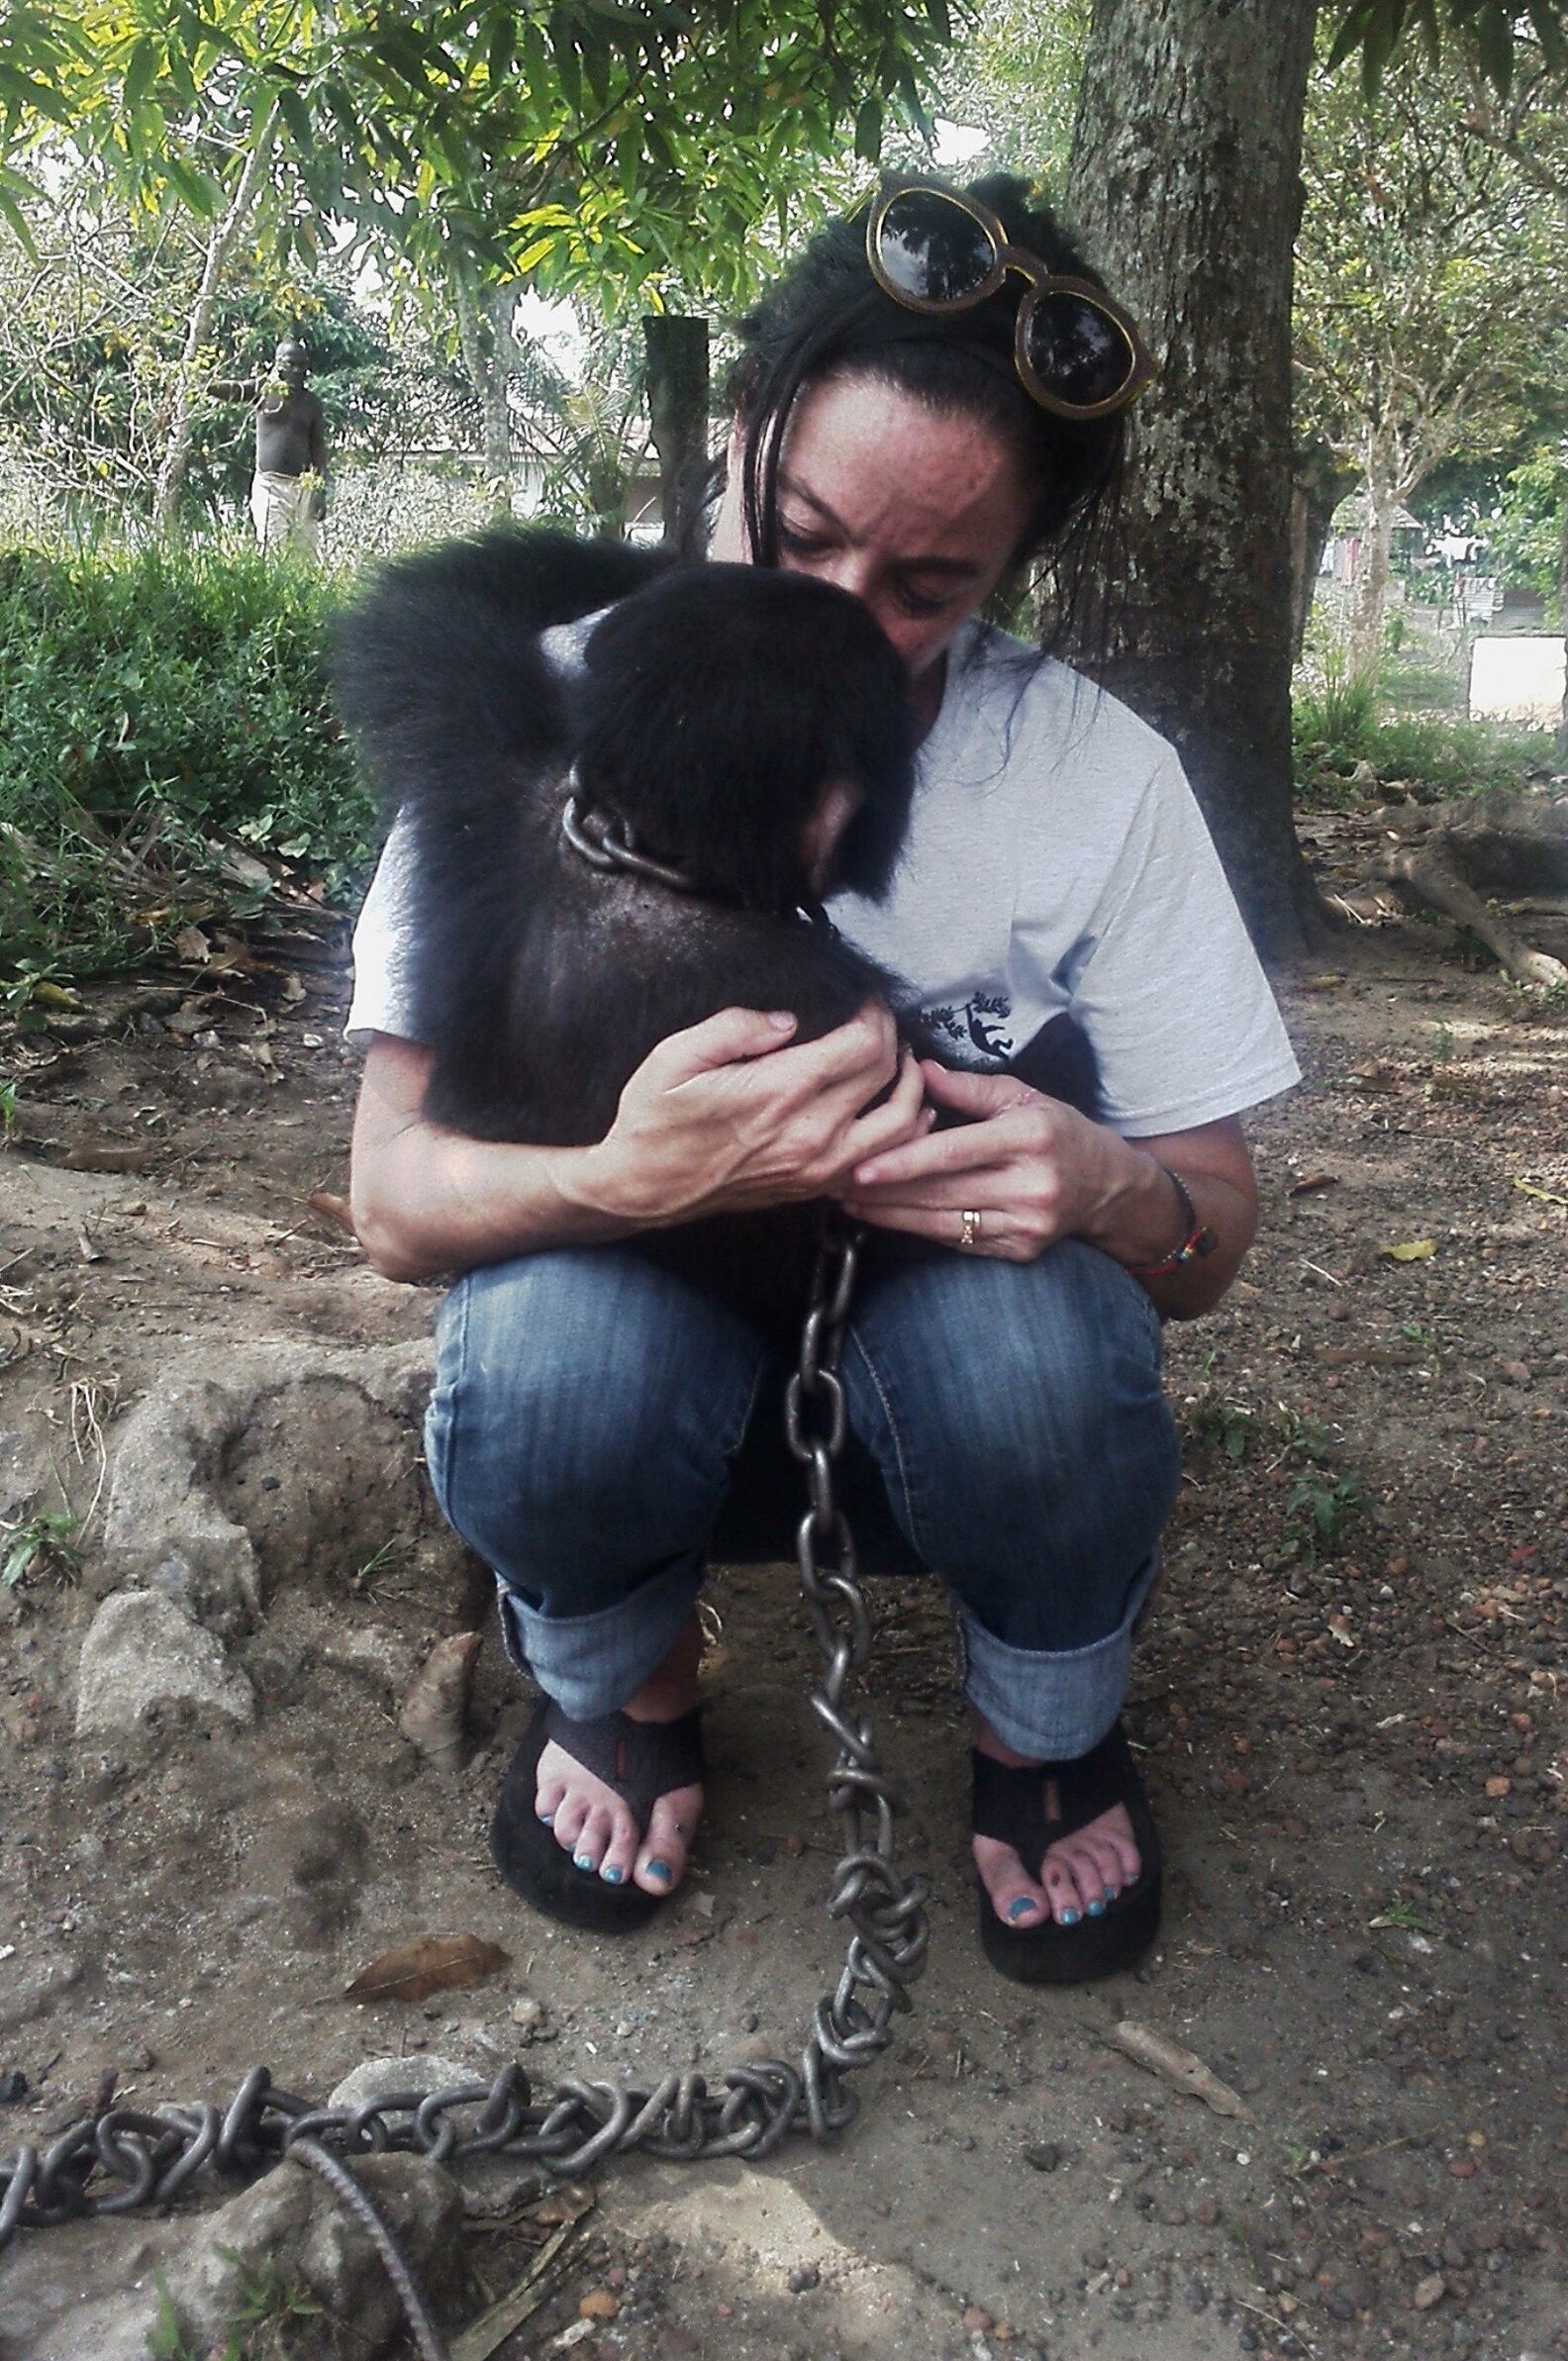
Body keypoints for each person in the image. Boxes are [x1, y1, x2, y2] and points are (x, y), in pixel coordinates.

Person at [346, 172, 1301, 1985]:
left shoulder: (1094, 777)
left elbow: (1206, 1234)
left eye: (926, 584)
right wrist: (618, 1180)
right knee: (547, 1346)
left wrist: (1104, 1186)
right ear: (736, 441)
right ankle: (627, 1673)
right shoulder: (554, 721)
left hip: (925, 1397)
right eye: (794, 536)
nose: (848, 621)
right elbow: (391, 1198)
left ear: (1014, 570)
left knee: (1042, 1339)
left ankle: (1037, 1725)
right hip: (645, 1372)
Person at [246, 339, 327, 559]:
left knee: (306, 560)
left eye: (302, 365)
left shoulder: (311, 403)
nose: (297, 370)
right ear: (278, 364)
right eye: (291, 364)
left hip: (303, 489)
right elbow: (233, 390)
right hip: (270, 486)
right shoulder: (263, 392)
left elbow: (318, 448)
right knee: (273, 554)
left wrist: (319, 491)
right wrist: (200, 385)